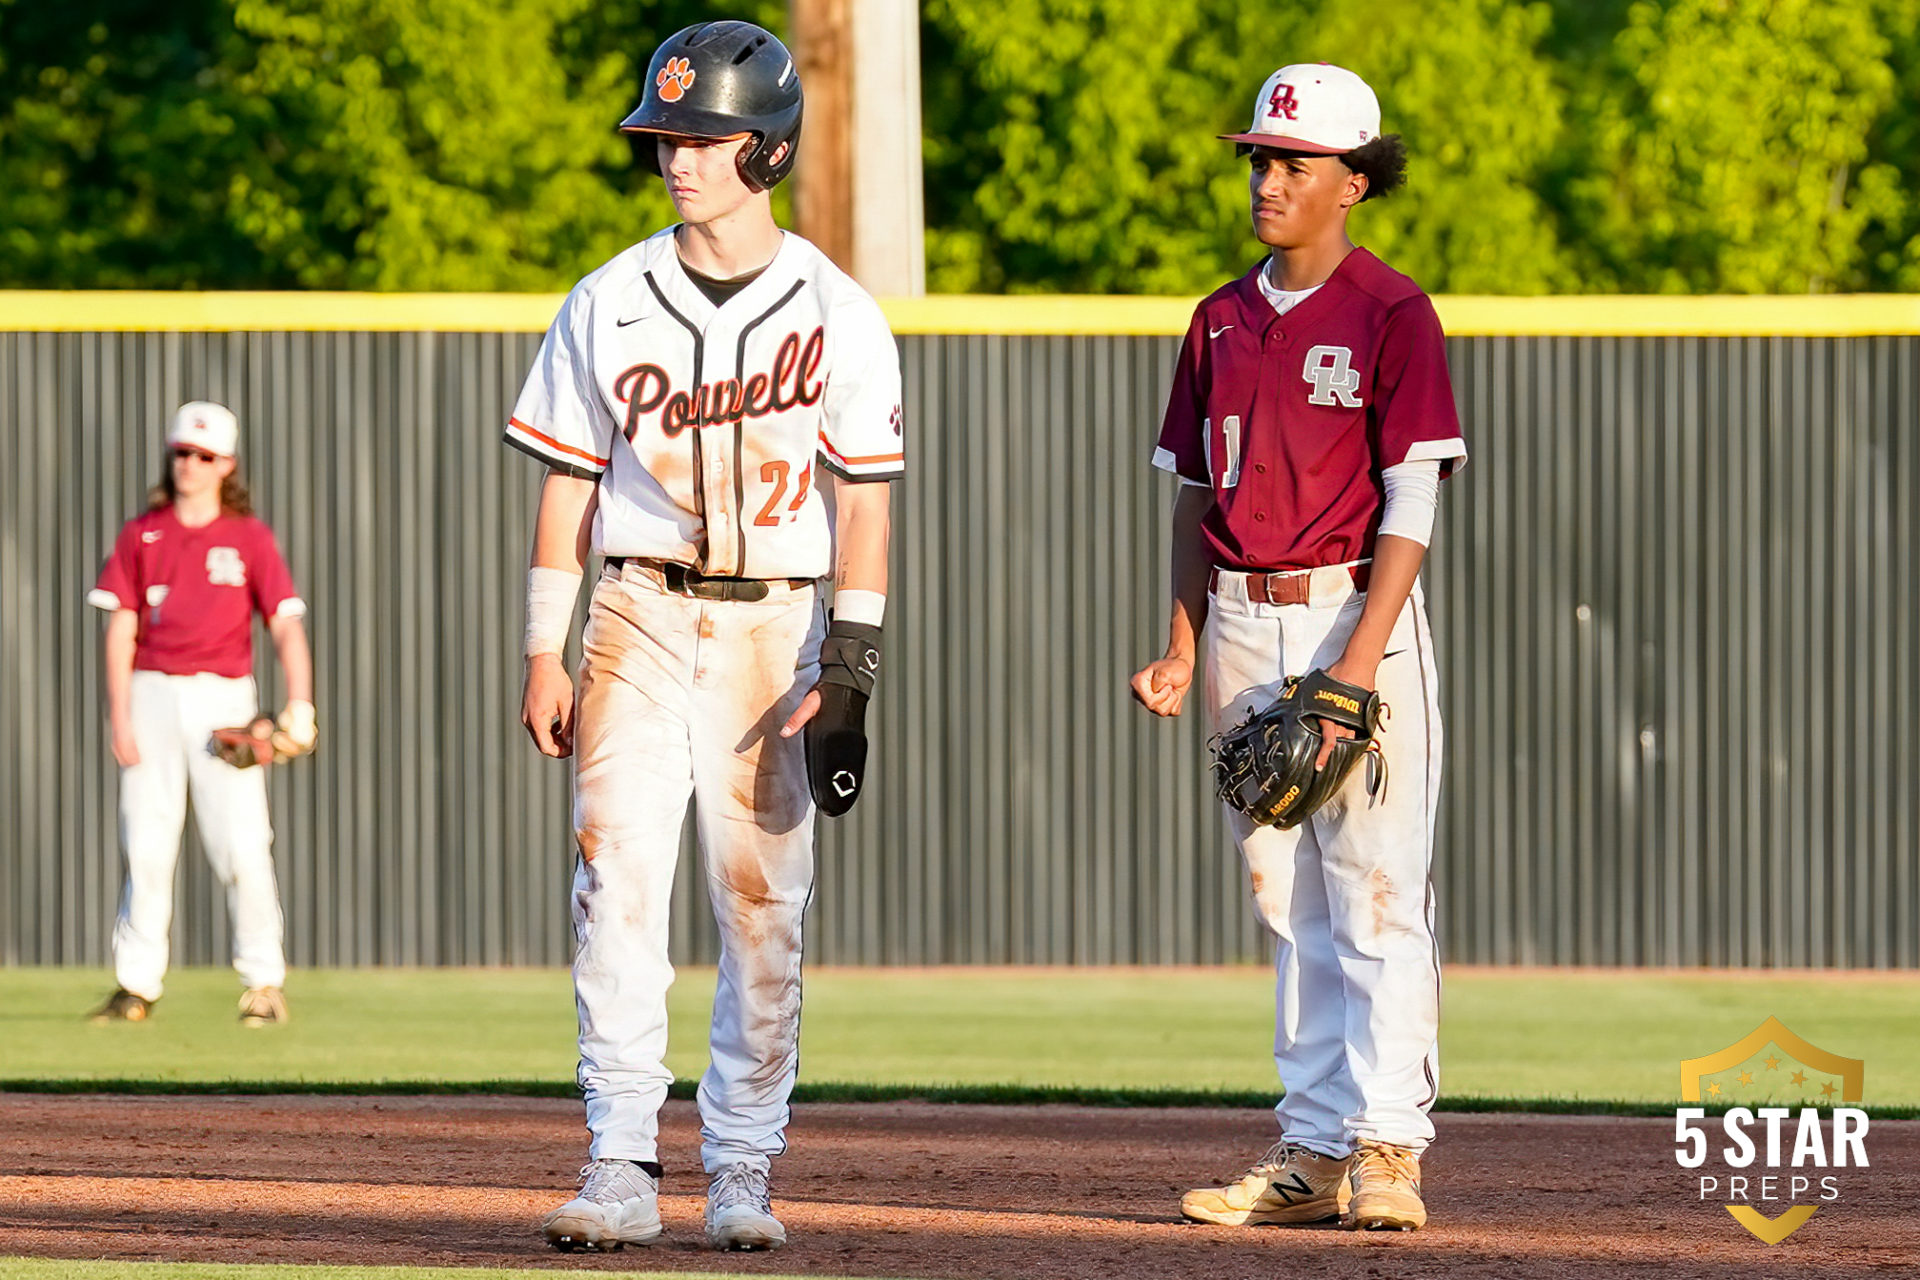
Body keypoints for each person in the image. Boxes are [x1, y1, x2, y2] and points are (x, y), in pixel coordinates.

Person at [505, 20, 902, 1254]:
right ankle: (620, 1156)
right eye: (662, 136)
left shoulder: (836, 310)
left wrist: (850, 662)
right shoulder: (607, 298)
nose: (675, 157)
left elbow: (864, 500)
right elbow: (567, 485)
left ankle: (741, 1162)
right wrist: (539, 644)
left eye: (701, 136)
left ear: (766, 150)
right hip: (633, 606)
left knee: (762, 904)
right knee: (615, 883)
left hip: (775, 623)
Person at [1130, 63, 1467, 1232]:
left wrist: (1360, 662)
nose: (1268, 178)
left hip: (1346, 608)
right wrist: (1179, 641)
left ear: (1355, 182)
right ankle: (1314, 1146)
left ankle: (1388, 1146)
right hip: (1237, 614)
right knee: (1287, 895)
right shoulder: (1218, 317)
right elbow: (1187, 495)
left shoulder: (1393, 312)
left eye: (1295, 162)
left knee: (1377, 885)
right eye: (1261, 158)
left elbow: (1412, 504)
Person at [87, 400, 316, 1027]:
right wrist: (121, 716)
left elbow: (286, 626)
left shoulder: (249, 537)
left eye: (203, 455)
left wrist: (299, 700)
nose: (189, 463)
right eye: (182, 452)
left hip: (224, 700)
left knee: (243, 846)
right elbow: (120, 629)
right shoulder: (143, 533)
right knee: (147, 846)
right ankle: (136, 987)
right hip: (153, 691)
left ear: (227, 465)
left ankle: (263, 984)